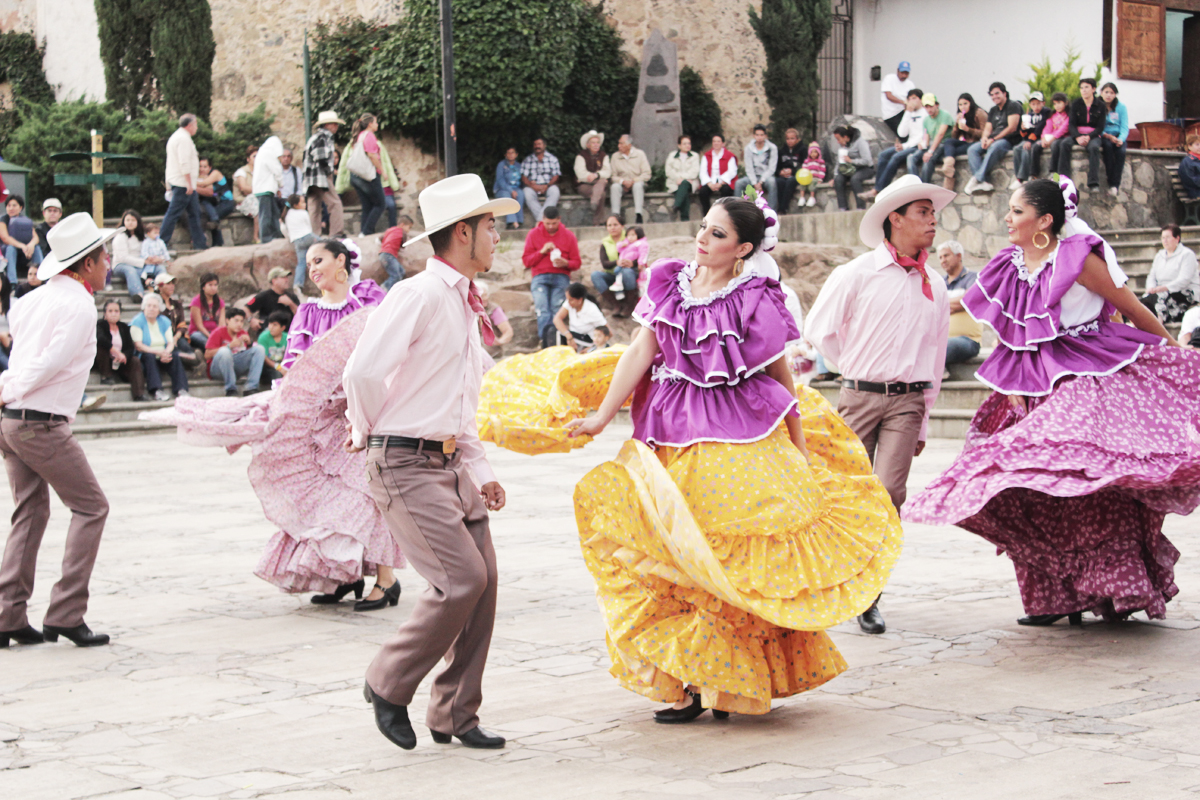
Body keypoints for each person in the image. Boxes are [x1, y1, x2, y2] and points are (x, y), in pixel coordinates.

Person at [485, 194, 901, 724]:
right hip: (669, 431)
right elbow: (641, 352)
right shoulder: (668, 281)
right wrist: (600, 416)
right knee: (671, 557)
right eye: (703, 227)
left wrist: (797, 444)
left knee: (727, 560)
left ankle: (722, 682)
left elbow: (778, 374)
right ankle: (683, 681)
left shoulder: (758, 296)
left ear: (744, 248)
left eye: (718, 234)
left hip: (740, 434)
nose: (702, 238)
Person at [905, 177, 1200, 626]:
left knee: (1092, 490)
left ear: (1044, 220)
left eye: (1017, 211)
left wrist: (1176, 352)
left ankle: (1114, 591)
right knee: (1029, 488)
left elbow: (1134, 308)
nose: (1007, 218)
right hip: (1027, 382)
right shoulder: (1010, 263)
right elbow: (966, 301)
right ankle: (1050, 598)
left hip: (1085, 378)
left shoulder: (1079, 257)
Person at [344, 173, 516, 751]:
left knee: (485, 584)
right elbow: (363, 372)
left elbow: (458, 402)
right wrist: (369, 432)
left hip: (450, 463)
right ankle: (387, 682)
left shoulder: (465, 303)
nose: (499, 236)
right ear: (463, 232)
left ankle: (454, 715)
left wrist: (482, 471)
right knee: (460, 579)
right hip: (404, 462)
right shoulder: (416, 294)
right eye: (492, 226)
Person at [145, 238, 402, 609]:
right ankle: (345, 573)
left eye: (320, 260)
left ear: (342, 261)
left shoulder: (367, 301)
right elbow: (296, 364)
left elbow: (385, 349)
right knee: (319, 496)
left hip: (358, 412)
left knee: (363, 490)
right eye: (309, 262)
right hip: (317, 418)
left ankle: (386, 578)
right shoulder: (309, 311)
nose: (312, 268)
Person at [806, 174, 953, 634]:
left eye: (933, 213)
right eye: (923, 213)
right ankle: (837, 582)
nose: (933, 221)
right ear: (896, 218)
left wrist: (924, 421)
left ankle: (869, 593)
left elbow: (936, 353)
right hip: (858, 395)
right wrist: (855, 364)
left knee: (888, 494)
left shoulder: (936, 283)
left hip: (908, 401)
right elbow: (820, 329)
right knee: (843, 494)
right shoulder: (856, 273)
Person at [0, 212, 118, 649]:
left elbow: (26, 356)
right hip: (39, 422)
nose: (109, 264)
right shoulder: (78, 305)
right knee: (92, 507)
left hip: (14, 421)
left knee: (30, 512)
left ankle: (8, 616)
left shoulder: (31, 300)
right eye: (104, 257)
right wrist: (6, 387)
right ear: (86, 264)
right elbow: (46, 363)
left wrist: (8, 391)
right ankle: (67, 613)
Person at [521, 206, 581, 347]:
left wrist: (566, 263)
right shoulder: (533, 234)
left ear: (559, 220)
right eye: (547, 223)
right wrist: (542, 252)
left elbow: (577, 263)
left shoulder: (568, 235)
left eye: (554, 223)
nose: (550, 226)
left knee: (556, 308)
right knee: (542, 310)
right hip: (540, 277)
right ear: (543, 220)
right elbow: (526, 261)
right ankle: (546, 343)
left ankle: (555, 343)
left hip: (561, 276)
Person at [864, 89, 927, 198]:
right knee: (883, 155)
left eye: (914, 98)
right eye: (909, 99)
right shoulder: (909, 113)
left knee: (895, 157)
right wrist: (908, 112)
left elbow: (922, 136)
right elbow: (902, 133)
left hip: (917, 146)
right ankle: (876, 187)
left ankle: (880, 189)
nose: (911, 101)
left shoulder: (925, 113)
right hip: (908, 144)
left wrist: (905, 146)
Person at [964, 82, 1022, 195]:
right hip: (993, 139)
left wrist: (993, 139)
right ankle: (983, 182)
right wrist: (984, 138)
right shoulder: (993, 110)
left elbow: (1012, 128)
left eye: (997, 93)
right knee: (972, 149)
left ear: (1004, 93)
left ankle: (977, 178)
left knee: (995, 147)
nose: (994, 97)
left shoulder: (1013, 106)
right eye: (992, 94)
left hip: (1009, 140)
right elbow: (988, 128)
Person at [160, 113, 207, 251]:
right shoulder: (183, 139)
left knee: (195, 213)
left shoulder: (177, 137)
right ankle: (162, 243)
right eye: (196, 124)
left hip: (183, 183)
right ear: (190, 125)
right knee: (173, 213)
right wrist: (189, 184)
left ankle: (200, 243)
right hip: (183, 184)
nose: (197, 128)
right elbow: (184, 162)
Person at [130, 293, 189, 402]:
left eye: (155, 306)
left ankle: (181, 389)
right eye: (149, 306)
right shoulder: (137, 321)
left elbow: (171, 342)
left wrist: (166, 352)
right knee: (149, 356)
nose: (151, 309)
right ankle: (157, 390)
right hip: (146, 353)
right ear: (144, 307)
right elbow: (138, 345)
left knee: (174, 355)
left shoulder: (164, 321)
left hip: (163, 353)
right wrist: (158, 352)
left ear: (159, 309)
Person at [1140, 223, 1199, 323]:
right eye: (1163, 238)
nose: (1165, 241)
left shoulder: (1187, 255)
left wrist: (1165, 288)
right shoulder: (1159, 255)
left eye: (1168, 237)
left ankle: (1158, 328)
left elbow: (1184, 279)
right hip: (1161, 291)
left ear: (1177, 238)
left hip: (1183, 292)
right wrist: (1151, 287)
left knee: (1160, 301)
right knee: (1143, 301)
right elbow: (1152, 276)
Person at [936, 240, 982, 368]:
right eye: (940, 257)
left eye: (946, 255)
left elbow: (969, 300)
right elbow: (930, 306)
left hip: (968, 340)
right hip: (939, 338)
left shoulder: (974, 278)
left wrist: (941, 305)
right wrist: (954, 303)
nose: (942, 260)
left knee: (943, 346)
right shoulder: (939, 282)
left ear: (959, 256)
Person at [303, 111, 346, 238]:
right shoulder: (323, 137)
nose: (336, 127)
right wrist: (329, 170)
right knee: (335, 203)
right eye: (334, 124)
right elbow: (321, 157)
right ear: (327, 125)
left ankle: (313, 235)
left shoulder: (314, 137)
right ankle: (336, 233)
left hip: (310, 178)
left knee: (314, 207)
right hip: (320, 176)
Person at [205, 308, 266, 397]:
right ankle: (231, 389)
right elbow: (207, 355)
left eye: (241, 321)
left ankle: (251, 388)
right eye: (236, 321)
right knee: (224, 351)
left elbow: (248, 353)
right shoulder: (218, 332)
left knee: (259, 349)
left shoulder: (243, 333)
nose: (239, 324)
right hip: (218, 369)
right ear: (227, 321)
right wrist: (229, 346)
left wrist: (250, 343)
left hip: (235, 367)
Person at [95, 299, 147, 401]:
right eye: (110, 311)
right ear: (105, 314)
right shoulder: (100, 325)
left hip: (120, 362)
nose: (113, 314)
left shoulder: (124, 327)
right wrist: (115, 351)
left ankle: (139, 394)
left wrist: (124, 356)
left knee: (135, 360)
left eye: (116, 311)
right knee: (101, 347)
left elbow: (130, 347)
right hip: (105, 361)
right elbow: (100, 339)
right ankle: (106, 376)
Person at [343, 114, 387, 235]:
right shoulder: (370, 136)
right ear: (370, 124)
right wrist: (382, 170)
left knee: (367, 205)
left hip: (356, 175)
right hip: (368, 175)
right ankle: (367, 231)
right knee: (380, 204)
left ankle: (364, 232)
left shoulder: (360, 136)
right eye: (376, 122)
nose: (377, 125)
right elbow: (372, 155)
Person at [1062, 78, 1106, 192]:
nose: (1084, 90)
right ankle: (1063, 179)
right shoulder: (1076, 103)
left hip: (1093, 135)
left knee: (1094, 148)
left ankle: (1093, 182)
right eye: (1081, 88)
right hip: (1078, 134)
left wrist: (1089, 136)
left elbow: (1100, 127)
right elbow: (1071, 124)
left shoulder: (1100, 105)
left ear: (1093, 89)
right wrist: (1077, 136)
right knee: (1065, 144)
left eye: (1086, 87)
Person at [938, 93, 987, 192]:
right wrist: (957, 124)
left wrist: (968, 129)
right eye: (960, 105)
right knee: (948, 142)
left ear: (971, 103)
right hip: (967, 143)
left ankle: (948, 172)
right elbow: (954, 136)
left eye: (965, 104)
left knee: (949, 150)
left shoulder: (979, 113)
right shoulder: (962, 116)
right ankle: (948, 167)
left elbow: (985, 133)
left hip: (978, 143)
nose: (962, 107)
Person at [153, 273, 198, 369]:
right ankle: (184, 358)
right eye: (168, 283)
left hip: (176, 336)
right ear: (160, 287)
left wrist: (176, 337)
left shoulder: (177, 304)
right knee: (174, 348)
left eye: (172, 283)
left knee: (184, 344)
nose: (172, 286)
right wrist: (170, 339)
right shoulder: (154, 304)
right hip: (162, 337)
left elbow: (182, 324)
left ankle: (189, 358)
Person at [110, 210, 152, 301]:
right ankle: (137, 294)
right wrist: (143, 262)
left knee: (158, 268)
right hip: (121, 265)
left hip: (140, 264)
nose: (130, 223)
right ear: (123, 222)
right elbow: (123, 258)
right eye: (127, 220)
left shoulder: (142, 236)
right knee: (130, 270)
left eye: (133, 220)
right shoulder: (120, 236)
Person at [592, 215, 634, 307]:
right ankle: (615, 304)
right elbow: (604, 263)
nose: (612, 228)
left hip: (628, 273)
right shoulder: (605, 243)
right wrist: (616, 262)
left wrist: (632, 263)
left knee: (627, 272)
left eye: (615, 225)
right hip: (612, 274)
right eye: (609, 225)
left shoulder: (630, 238)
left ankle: (629, 305)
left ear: (622, 226)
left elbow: (640, 254)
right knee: (595, 275)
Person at [0, 194, 43, 284]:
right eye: (9, 205)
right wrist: (22, 246)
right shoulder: (3, 220)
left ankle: (42, 277)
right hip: (7, 254)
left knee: (37, 248)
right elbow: (5, 238)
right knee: (11, 248)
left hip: (25, 253)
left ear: (20, 207)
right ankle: (12, 282)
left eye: (14, 205)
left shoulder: (25, 220)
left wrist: (31, 245)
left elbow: (35, 237)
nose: (11, 208)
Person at [735, 124, 780, 209]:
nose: (759, 137)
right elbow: (749, 167)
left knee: (772, 182)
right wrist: (755, 182)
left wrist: (761, 181)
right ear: (754, 136)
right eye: (757, 135)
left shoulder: (772, 148)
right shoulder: (748, 148)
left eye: (762, 135)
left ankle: (771, 210)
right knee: (739, 183)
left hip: (766, 177)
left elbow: (771, 168)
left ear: (765, 136)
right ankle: (738, 209)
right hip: (753, 176)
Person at [610, 134, 652, 224]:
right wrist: (623, 182)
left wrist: (633, 181)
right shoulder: (615, 156)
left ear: (629, 145)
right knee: (614, 187)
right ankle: (615, 215)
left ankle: (638, 214)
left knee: (637, 186)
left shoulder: (640, 154)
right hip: (622, 184)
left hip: (637, 182)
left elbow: (647, 174)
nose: (619, 146)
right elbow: (613, 176)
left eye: (621, 144)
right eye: (619, 143)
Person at [553, 282, 607, 350]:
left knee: (556, 333)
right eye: (567, 299)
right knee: (549, 329)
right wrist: (568, 336)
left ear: (580, 300)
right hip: (574, 336)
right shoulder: (569, 303)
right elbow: (557, 319)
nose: (568, 302)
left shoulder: (592, 309)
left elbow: (607, 332)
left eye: (571, 300)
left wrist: (592, 347)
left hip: (587, 340)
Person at [246, 267, 300, 333]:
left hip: (288, 336)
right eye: (283, 277)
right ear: (274, 281)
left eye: (287, 277)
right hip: (268, 337)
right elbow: (246, 309)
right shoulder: (264, 296)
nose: (287, 280)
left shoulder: (292, 297)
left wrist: (291, 304)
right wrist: (251, 320)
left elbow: (301, 316)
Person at [574, 130, 611, 227]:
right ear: (588, 145)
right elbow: (580, 174)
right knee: (601, 191)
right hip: (584, 186)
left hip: (598, 184)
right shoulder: (581, 156)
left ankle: (594, 203)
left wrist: (596, 175)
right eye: (593, 143)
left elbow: (608, 171)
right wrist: (596, 178)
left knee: (601, 184)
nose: (596, 145)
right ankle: (598, 220)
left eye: (597, 142)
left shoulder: (604, 156)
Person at [1010, 92, 1048, 187]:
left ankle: (1023, 177)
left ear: (1043, 103)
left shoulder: (1046, 113)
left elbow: (1040, 127)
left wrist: (1030, 141)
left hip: (1041, 138)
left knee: (1027, 148)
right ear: (1030, 105)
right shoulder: (1029, 115)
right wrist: (1023, 129)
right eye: (1033, 104)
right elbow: (1024, 135)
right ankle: (1018, 175)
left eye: (1038, 103)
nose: (1036, 106)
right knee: (1017, 148)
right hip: (1029, 139)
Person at [196, 157, 236, 246]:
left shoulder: (215, 173)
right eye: (200, 166)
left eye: (205, 166)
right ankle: (217, 242)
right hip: (216, 203)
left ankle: (217, 243)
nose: (202, 169)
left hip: (227, 202)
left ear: (210, 168)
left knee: (213, 218)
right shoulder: (200, 177)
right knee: (207, 210)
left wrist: (188, 183)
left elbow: (203, 184)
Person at [832, 126, 873, 211]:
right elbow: (838, 162)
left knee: (855, 179)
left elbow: (867, 160)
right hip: (850, 169)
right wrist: (835, 175)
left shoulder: (860, 142)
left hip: (865, 168)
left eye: (839, 139)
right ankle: (842, 207)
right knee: (838, 179)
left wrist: (851, 161)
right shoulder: (843, 146)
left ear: (846, 137)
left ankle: (861, 207)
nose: (838, 142)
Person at [520, 137, 561, 223]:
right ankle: (543, 219)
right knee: (526, 192)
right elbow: (524, 177)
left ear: (544, 146)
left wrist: (548, 185)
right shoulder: (528, 160)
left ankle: (540, 220)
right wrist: (532, 186)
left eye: (539, 144)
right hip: (532, 186)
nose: (537, 146)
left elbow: (556, 175)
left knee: (555, 191)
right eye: (535, 144)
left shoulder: (552, 159)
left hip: (548, 185)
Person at [253, 135, 285, 243]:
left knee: (274, 213)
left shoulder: (262, 153)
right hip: (264, 190)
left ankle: (277, 235)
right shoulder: (268, 154)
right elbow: (277, 170)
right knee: (266, 215)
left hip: (265, 190)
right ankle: (266, 238)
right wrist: (281, 184)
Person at [1099, 82, 1129, 197]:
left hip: (1117, 136)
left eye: (1112, 93)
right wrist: (1107, 136)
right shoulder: (1098, 106)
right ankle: (1111, 182)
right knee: (1107, 148)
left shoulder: (1121, 107)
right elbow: (1096, 126)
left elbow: (1124, 126)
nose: (1108, 95)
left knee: (1121, 152)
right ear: (1101, 93)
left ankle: (1115, 185)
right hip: (1104, 136)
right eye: (1106, 92)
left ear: (1115, 95)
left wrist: (1121, 139)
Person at [283, 195, 316, 292]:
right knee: (325, 245)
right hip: (308, 237)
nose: (305, 204)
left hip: (297, 241)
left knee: (301, 263)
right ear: (296, 205)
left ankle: (297, 284)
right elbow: (309, 228)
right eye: (302, 202)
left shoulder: (287, 215)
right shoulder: (303, 213)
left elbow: (285, 229)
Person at [1036, 93, 1071, 184]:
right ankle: (1038, 174)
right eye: (1055, 104)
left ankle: (1055, 172)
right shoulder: (1053, 115)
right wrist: (1044, 138)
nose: (1057, 106)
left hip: (1065, 137)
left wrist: (1052, 139)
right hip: (1053, 138)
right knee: (1037, 146)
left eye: (1059, 102)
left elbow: (1064, 128)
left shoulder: (1069, 114)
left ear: (1065, 103)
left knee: (1056, 145)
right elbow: (1047, 128)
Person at [697, 134, 737, 214]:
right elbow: (703, 171)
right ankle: (707, 214)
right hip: (710, 182)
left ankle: (722, 213)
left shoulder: (729, 156)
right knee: (703, 192)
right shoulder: (707, 156)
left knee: (726, 191)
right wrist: (709, 183)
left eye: (718, 141)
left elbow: (732, 171)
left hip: (723, 182)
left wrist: (721, 182)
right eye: (714, 141)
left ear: (723, 143)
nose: (716, 143)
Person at [665, 135, 700, 220]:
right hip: (675, 182)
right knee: (684, 192)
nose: (687, 145)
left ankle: (677, 205)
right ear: (679, 145)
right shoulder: (672, 155)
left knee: (684, 184)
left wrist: (682, 178)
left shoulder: (695, 156)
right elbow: (668, 171)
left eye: (689, 143)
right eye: (684, 144)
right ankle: (685, 218)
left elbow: (694, 171)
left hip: (690, 182)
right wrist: (678, 178)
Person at [187, 272, 225, 349]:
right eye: (210, 285)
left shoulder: (220, 302)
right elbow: (199, 325)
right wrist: (211, 337)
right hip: (199, 333)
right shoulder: (196, 301)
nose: (213, 287)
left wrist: (219, 336)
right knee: (207, 342)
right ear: (203, 287)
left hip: (215, 333)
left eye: (215, 285)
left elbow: (222, 323)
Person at [233, 146, 261, 243]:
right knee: (257, 205)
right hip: (243, 201)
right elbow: (244, 188)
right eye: (254, 156)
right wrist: (260, 190)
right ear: (248, 159)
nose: (257, 159)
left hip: (256, 198)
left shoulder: (260, 171)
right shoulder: (242, 172)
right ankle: (255, 237)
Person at [379, 215, 414, 291]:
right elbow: (403, 245)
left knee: (402, 272)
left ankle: (397, 289)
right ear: (402, 225)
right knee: (396, 276)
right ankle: (382, 289)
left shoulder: (390, 230)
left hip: (383, 254)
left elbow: (381, 238)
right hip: (389, 256)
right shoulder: (402, 232)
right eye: (409, 227)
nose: (409, 230)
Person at [493, 147, 524, 229]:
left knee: (520, 194)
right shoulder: (501, 165)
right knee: (507, 196)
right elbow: (500, 180)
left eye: (512, 152)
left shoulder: (519, 166)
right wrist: (511, 191)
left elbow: (521, 180)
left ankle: (519, 221)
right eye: (508, 153)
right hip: (502, 189)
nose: (510, 154)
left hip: (516, 189)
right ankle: (512, 222)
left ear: (516, 154)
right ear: (505, 155)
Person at [881, 60, 916, 134]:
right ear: (897, 71)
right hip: (891, 114)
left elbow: (913, 98)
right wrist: (903, 102)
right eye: (902, 73)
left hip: (904, 112)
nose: (904, 75)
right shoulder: (889, 78)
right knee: (902, 134)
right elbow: (889, 96)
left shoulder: (910, 84)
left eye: (906, 73)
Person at [617, 225, 650, 304]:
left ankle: (632, 300)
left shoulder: (641, 244)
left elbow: (643, 254)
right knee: (618, 271)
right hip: (623, 265)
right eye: (628, 235)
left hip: (635, 268)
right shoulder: (626, 244)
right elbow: (619, 249)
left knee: (628, 274)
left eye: (633, 235)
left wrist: (640, 263)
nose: (630, 237)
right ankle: (618, 288)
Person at [775, 128, 805, 212]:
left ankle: (783, 208)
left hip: (797, 175)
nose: (790, 141)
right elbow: (777, 167)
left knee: (790, 182)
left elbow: (804, 165)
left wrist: (793, 171)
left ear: (797, 139)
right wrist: (780, 172)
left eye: (792, 138)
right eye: (788, 139)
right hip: (783, 175)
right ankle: (780, 207)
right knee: (779, 182)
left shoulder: (802, 150)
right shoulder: (781, 151)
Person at [475, 280, 514, 346]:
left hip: (492, 352)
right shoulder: (467, 309)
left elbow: (508, 331)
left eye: (486, 295)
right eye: (482, 296)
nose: (485, 298)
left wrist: (500, 342)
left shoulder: (493, 309)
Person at [258, 310, 289, 382]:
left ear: (283, 328)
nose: (271, 327)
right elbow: (264, 358)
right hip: (268, 367)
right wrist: (278, 367)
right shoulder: (263, 337)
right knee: (277, 374)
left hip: (282, 364)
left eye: (275, 325)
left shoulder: (287, 338)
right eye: (270, 324)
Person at [798, 140, 827, 207]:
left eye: (815, 152)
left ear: (818, 153)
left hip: (815, 178)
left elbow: (822, 170)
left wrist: (820, 179)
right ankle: (802, 197)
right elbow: (804, 170)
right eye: (812, 152)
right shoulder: (806, 161)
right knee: (802, 184)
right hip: (807, 178)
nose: (813, 154)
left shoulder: (820, 162)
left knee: (812, 183)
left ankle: (812, 197)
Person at [1182, 132, 1200, 199]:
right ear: (1189, 146)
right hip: (1196, 193)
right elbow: (1191, 181)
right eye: (1197, 144)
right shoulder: (1188, 162)